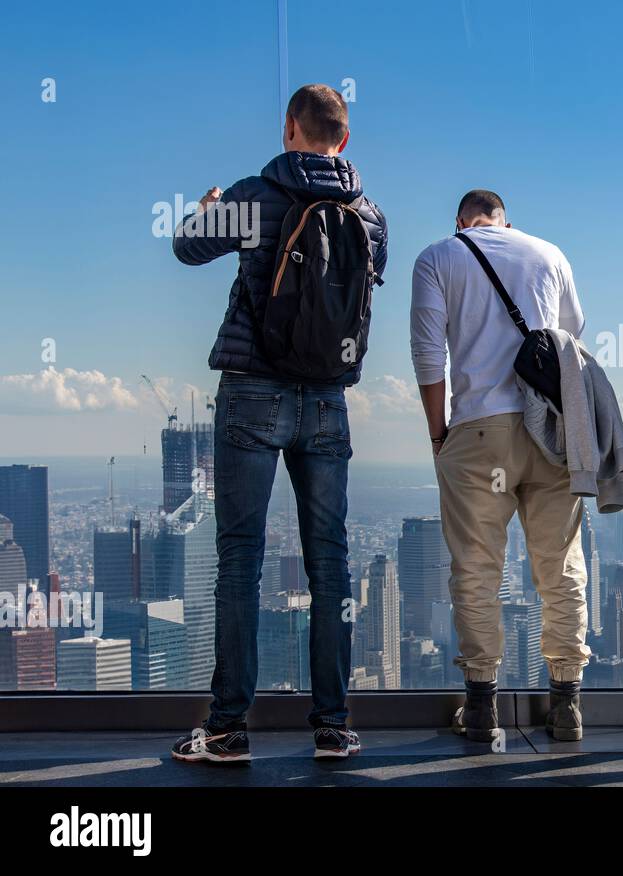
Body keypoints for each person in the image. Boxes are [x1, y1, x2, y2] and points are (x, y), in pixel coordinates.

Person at [169, 84, 387, 762]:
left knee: (240, 559)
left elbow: (186, 249)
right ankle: (332, 725)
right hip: (328, 400)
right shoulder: (371, 215)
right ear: (343, 139)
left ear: (290, 128)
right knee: (330, 561)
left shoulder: (257, 194)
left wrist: (206, 212)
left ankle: (229, 728)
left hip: (252, 393)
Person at [411, 190, 590, 742]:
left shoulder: (439, 256)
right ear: (507, 220)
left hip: (479, 432)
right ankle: (566, 705)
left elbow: (426, 353)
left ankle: (483, 706)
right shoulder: (549, 254)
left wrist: (439, 432)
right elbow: (571, 335)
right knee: (559, 566)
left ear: (461, 221)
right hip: (549, 431)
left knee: (477, 568)